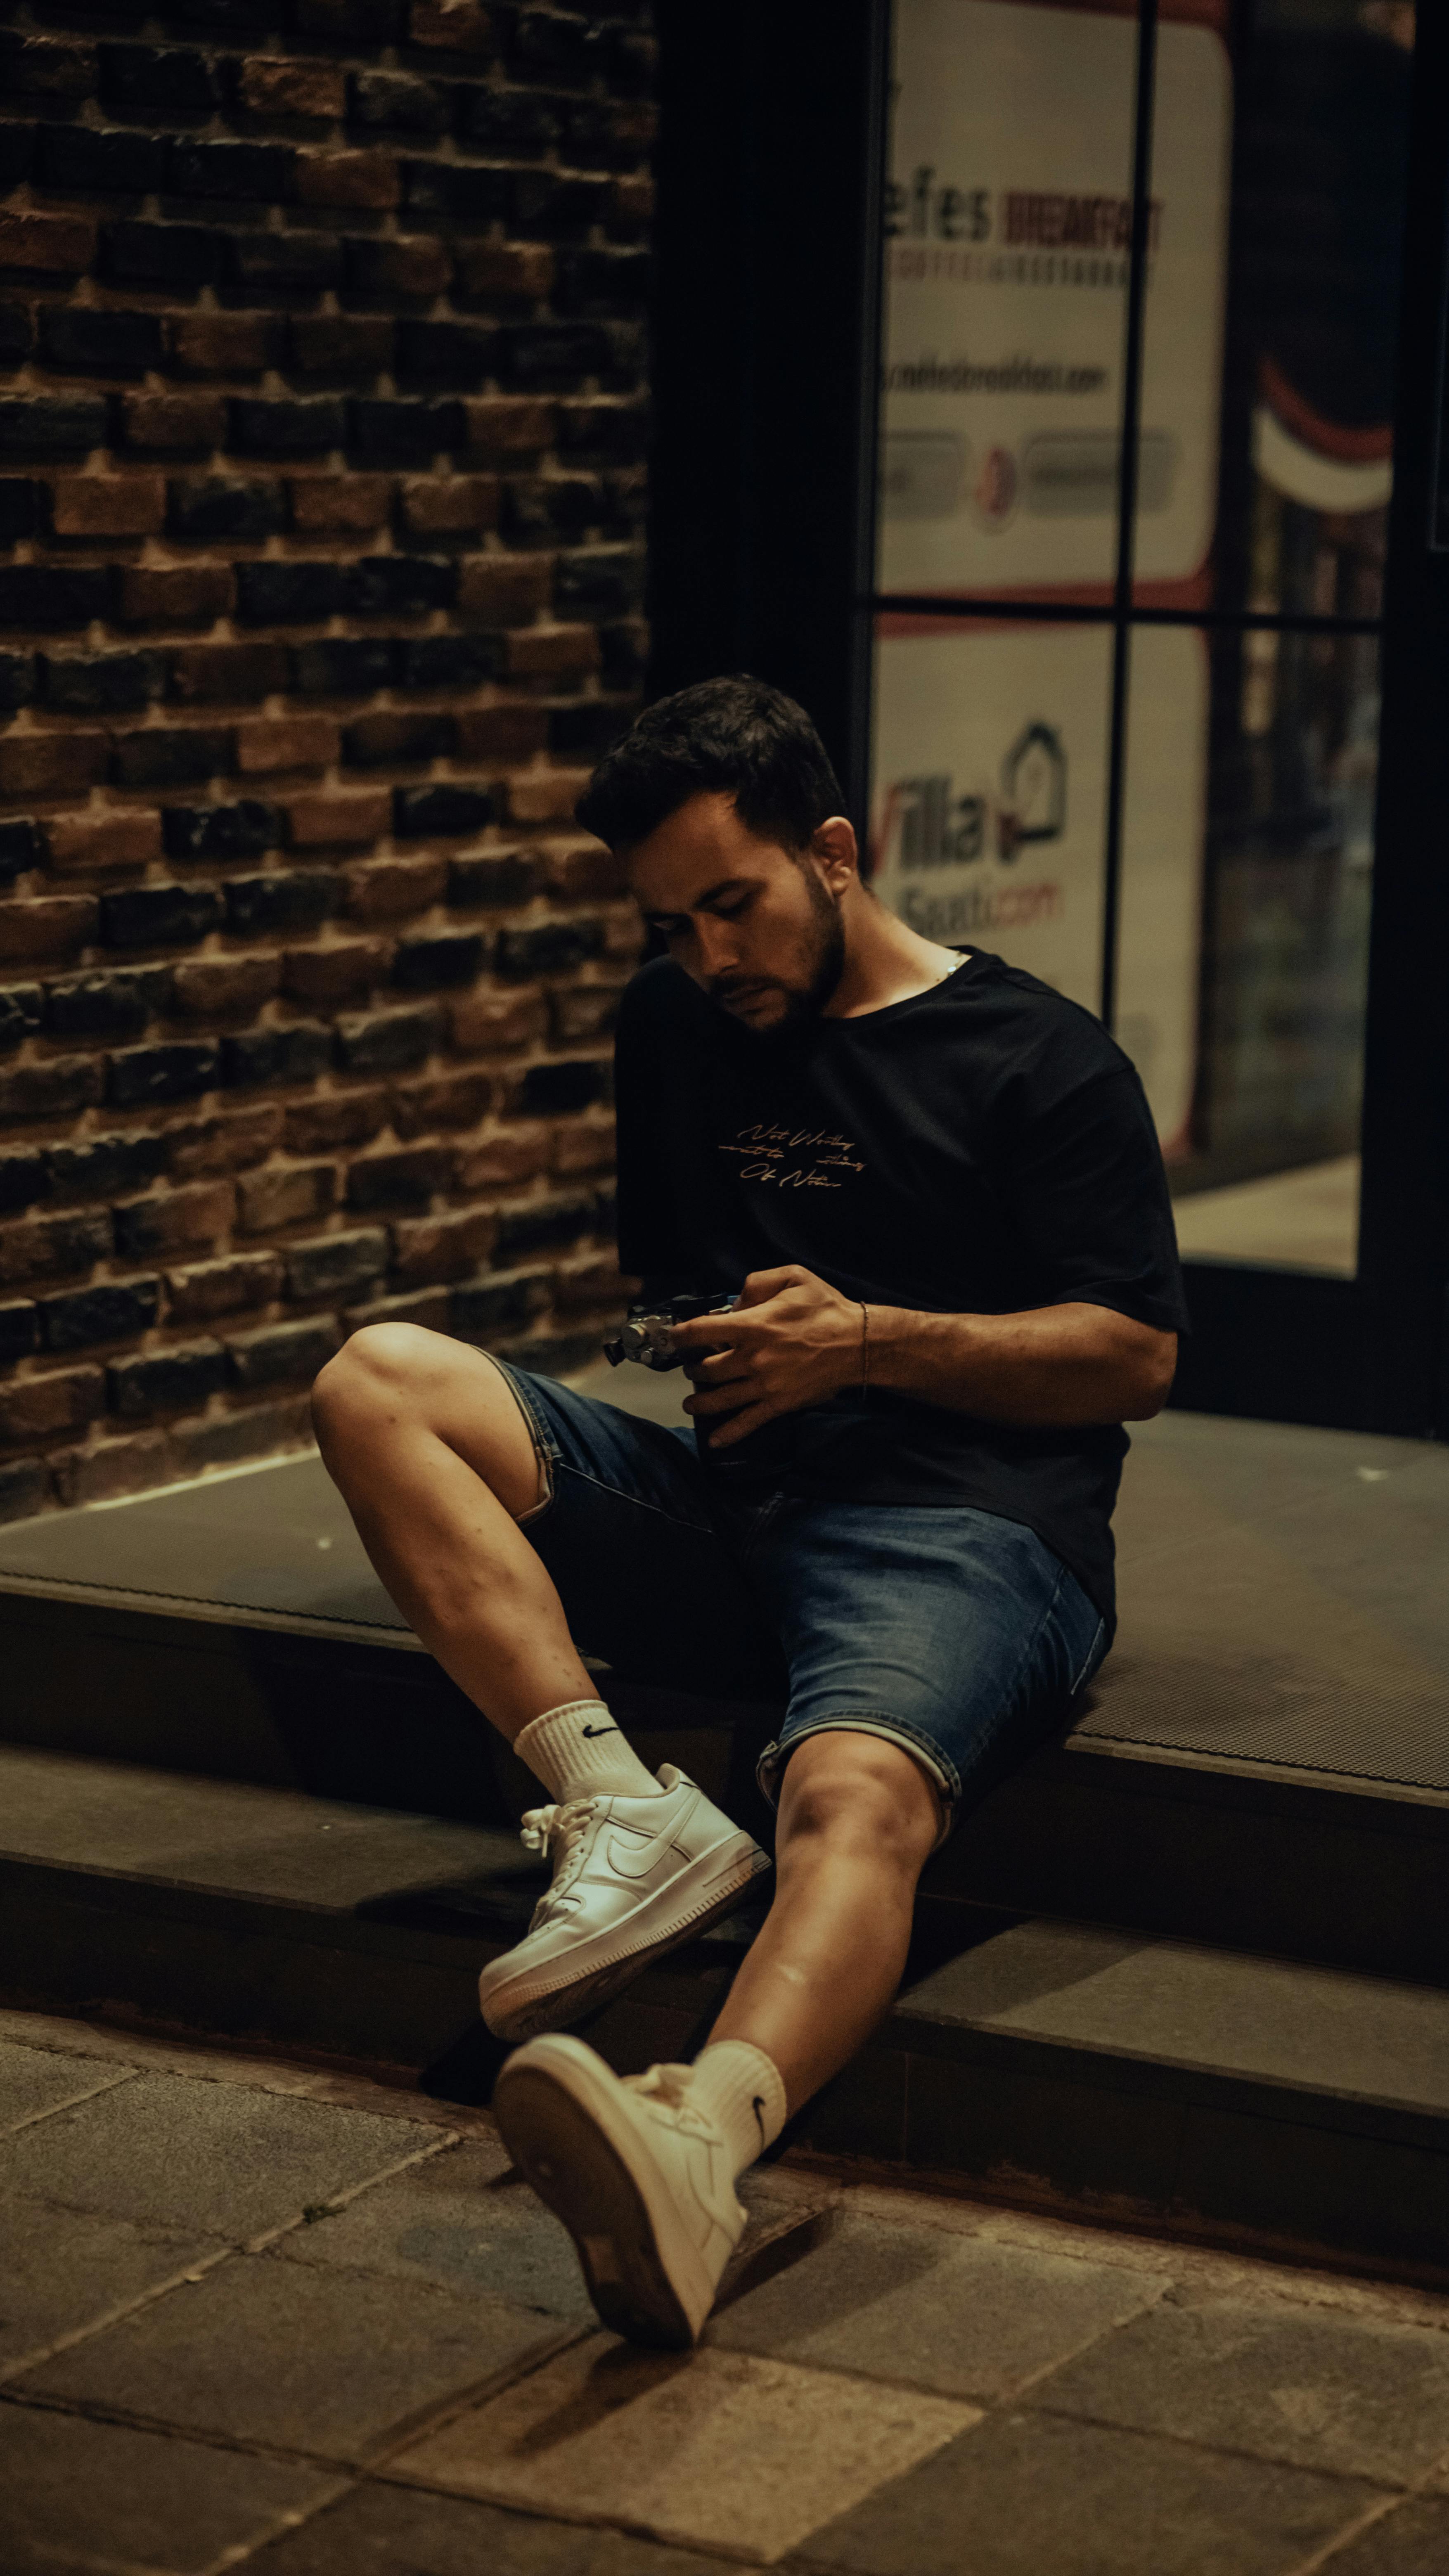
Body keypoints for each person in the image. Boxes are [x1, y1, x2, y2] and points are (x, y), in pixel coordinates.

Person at [311, 674, 1187, 2352]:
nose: (711, 954)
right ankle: (617, 1812)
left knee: (851, 1792)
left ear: (834, 853)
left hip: (965, 1530)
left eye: (737, 904)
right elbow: (676, 1288)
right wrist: (703, 1341)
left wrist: (862, 1340)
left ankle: (698, 2141)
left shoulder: (1038, 1060)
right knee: (378, 1380)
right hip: (738, 1499)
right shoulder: (676, 1023)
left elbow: (1132, 1353)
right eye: (669, 923)